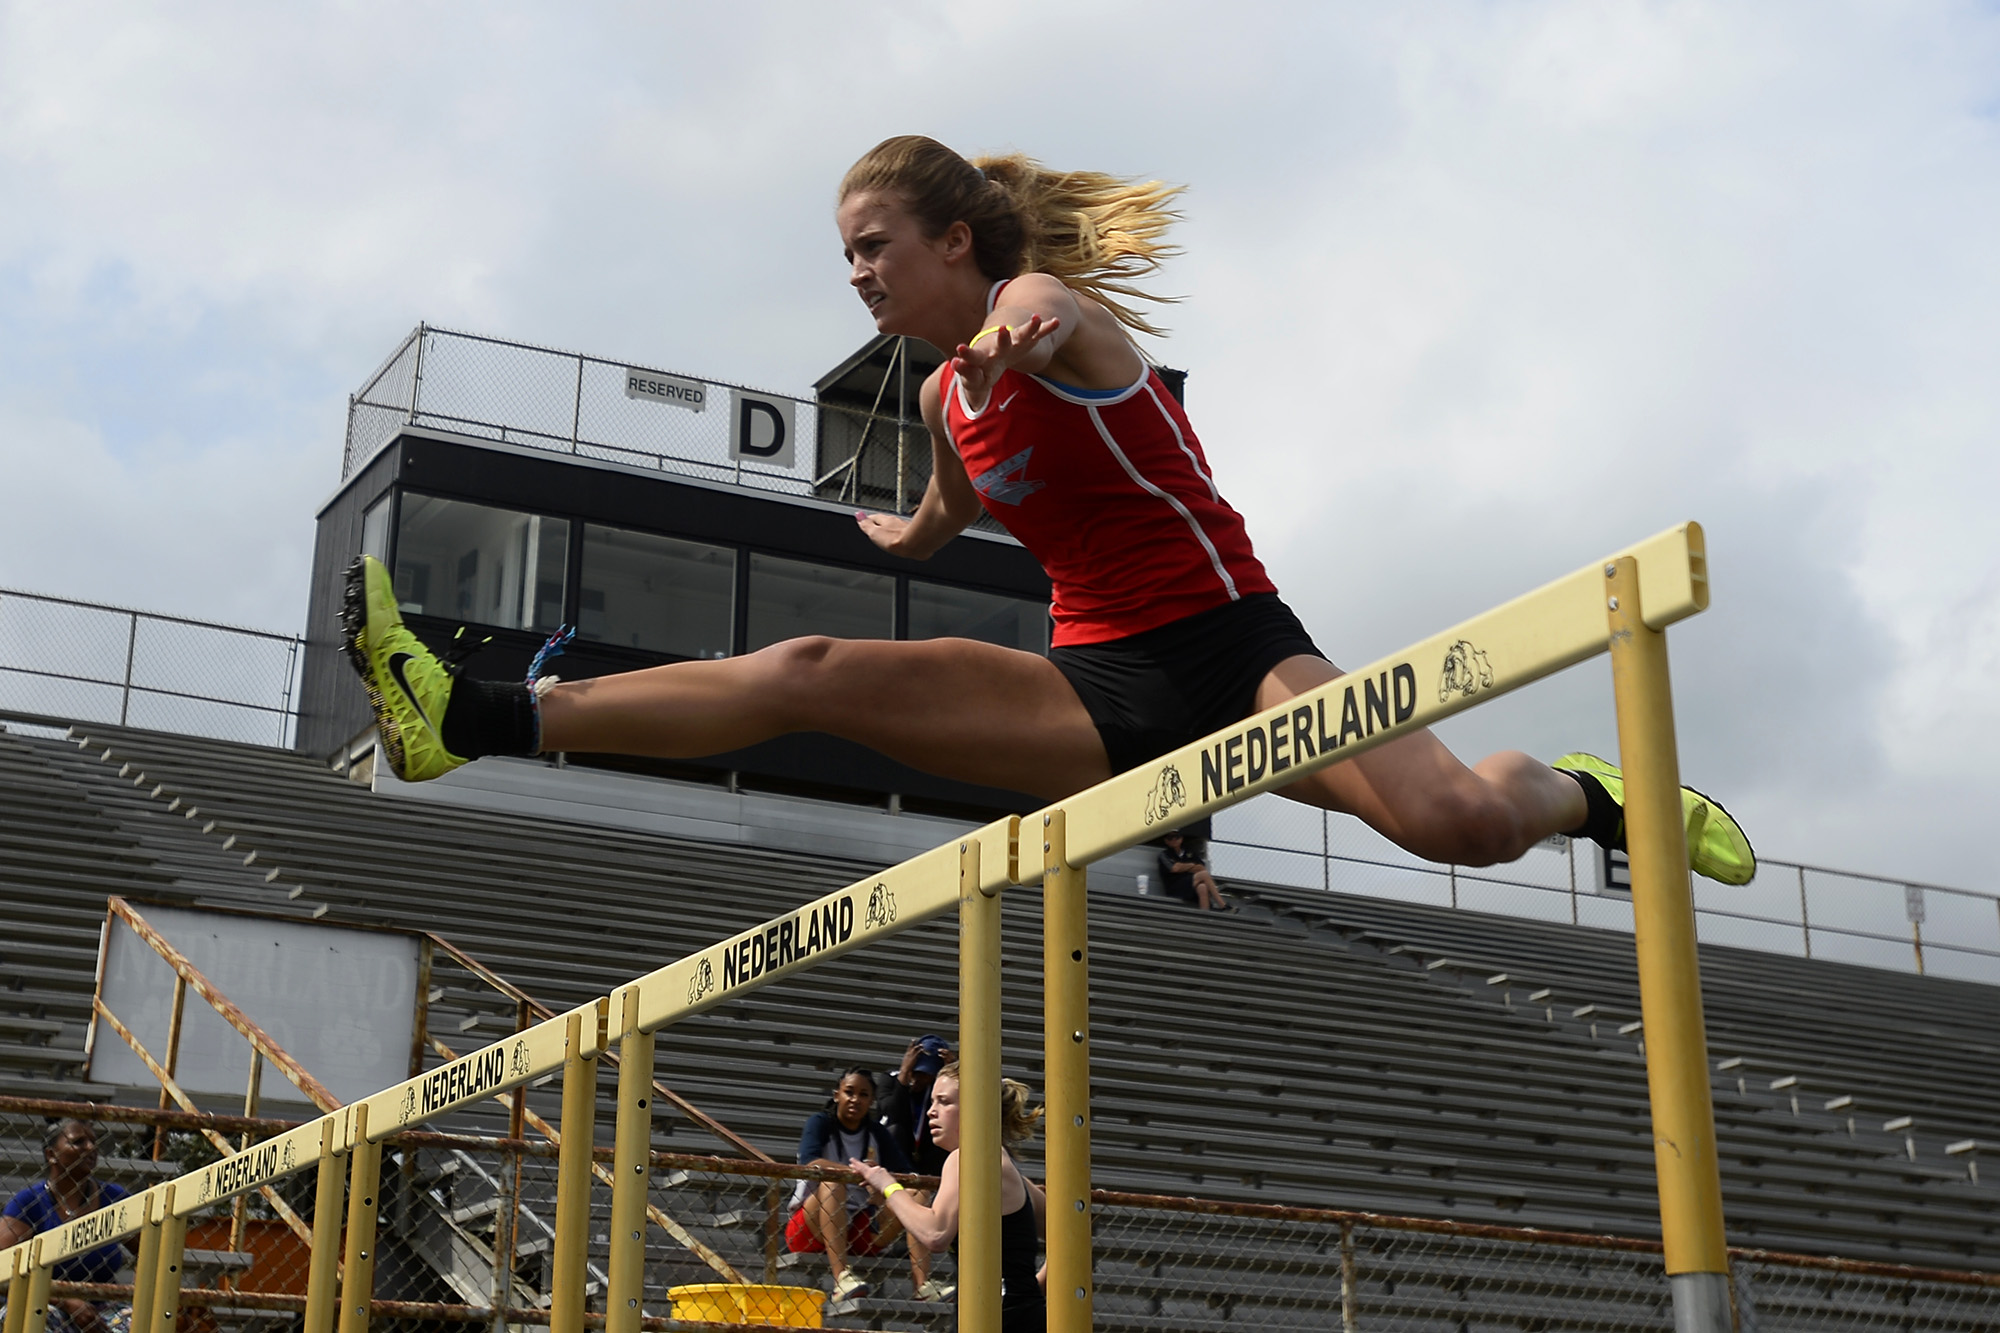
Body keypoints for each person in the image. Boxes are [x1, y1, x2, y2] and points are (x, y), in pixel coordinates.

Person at [343, 134, 1755, 890]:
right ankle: (472, 720)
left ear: (954, 242)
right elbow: (954, 501)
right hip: (1098, 685)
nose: (854, 274)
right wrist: (912, 536)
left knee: (1454, 822)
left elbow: (1053, 303)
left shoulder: (1059, 334)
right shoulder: (946, 401)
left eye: (873, 248)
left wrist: (1031, 310)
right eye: (842, 256)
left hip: (1236, 644)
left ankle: (1598, 798)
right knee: (813, 674)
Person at [852, 1063, 1047, 1333]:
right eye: (932, 1101)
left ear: (975, 1109)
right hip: (1007, 1312)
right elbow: (1071, 1233)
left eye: (944, 1102)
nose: (931, 1111)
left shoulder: (967, 1157)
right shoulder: (1002, 1165)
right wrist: (1028, 1290)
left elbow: (935, 1233)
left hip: (1000, 1317)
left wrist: (888, 1186)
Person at [785, 1067, 919, 1304]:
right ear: (837, 1095)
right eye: (849, 1092)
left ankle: (922, 1285)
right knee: (833, 1183)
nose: (856, 1099)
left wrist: (882, 1182)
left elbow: (906, 1174)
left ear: (872, 1100)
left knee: (917, 1192)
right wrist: (860, 1172)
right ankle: (841, 1280)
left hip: (857, 1227)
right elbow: (810, 1162)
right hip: (809, 1226)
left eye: (864, 1094)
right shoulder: (820, 1123)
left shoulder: (877, 1132)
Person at [0, 1120, 133, 1333]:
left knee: (134, 1321)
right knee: (30, 1317)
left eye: (92, 1141)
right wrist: (66, 1301)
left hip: (102, 1306)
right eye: (78, 1142)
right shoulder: (29, 1203)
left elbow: (150, 1249)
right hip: (44, 1300)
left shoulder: (113, 1199)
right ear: (51, 1154)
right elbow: (3, 1268)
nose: (90, 1147)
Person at [1156, 829, 1229, 911]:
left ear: (1181, 838)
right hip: (1175, 888)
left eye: (1176, 837)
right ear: (1166, 841)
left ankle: (1204, 915)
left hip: (1190, 886)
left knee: (1202, 887)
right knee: (1204, 875)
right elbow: (1174, 868)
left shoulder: (1189, 852)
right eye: (1170, 838)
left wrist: (1183, 867)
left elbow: (1201, 867)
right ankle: (1223, 905)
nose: (1174, 840)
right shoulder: (1164, 854)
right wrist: (1191, 865)